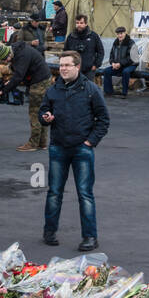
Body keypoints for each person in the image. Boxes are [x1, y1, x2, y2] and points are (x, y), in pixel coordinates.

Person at [41, 50, 109, 251]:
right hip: (58, 147)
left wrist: (90, 142)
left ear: (77, 67)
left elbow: (103, 119)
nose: (62, 68)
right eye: (61, 65)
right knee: (54, 192)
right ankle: (49, 231)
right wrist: (45, 116)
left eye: (67, 65)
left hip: (81, 149)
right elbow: (43, 111)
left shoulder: (90, 90)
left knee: (85, 194)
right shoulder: (53, 90)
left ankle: (90, 237)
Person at [2, 28, 52, 151]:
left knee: (35, 113)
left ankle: (33, 144)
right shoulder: (18, 50)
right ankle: (42, 142)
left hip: (39, 82)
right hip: (44, 79)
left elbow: (19, 76)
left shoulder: (21, 56)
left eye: (6, 59)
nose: (6, 62)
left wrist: (4, 90)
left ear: (9, 53)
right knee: (42, 111)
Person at [99, 27, 138, 98]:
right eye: (118, 34)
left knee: (125, 72)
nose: (120, 35)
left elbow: (131, 58)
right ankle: (108, 92)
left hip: (131, 64)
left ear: (125, 33)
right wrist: (113, 63)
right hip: (118, 65)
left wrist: (120, 63)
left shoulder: (131, 42)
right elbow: (111, 55)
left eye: (121, 33)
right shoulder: (115, 42)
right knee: (106, 71)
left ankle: (124, 93)